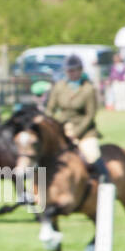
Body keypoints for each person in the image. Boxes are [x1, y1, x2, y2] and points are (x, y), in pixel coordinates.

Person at [46, 54, 107, 182]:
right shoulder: (59, 87)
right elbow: (50, 109)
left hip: (84, 131)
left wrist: (76, 132)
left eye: (75, 70)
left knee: (92, 155)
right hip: (62, 129)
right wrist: (51, 126)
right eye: (69, 70)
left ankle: (105, 183)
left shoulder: (88, 89)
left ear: (80, 71)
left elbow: (90, 114)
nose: (72, 73)